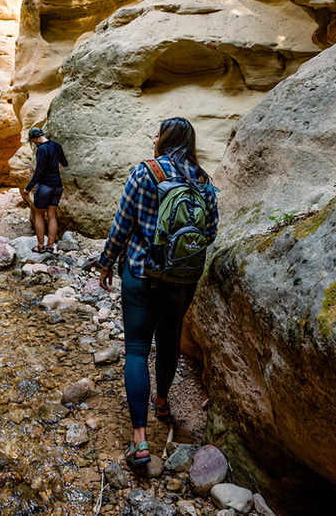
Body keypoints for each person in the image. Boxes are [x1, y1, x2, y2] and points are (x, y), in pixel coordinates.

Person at [97, 117, 218, 468]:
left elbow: (123, 223)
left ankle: (140, 440)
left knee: (136, 350)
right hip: (182, 280)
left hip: (141, 273)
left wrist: (107, 261)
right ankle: (162, 402)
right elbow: (209, 232)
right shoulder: (202, 180)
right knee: (168, 344)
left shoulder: (145, 172)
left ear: (162, 139)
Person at [21, 126, 68, 253]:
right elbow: (64, 163)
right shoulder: (56, 145)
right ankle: (50, 246)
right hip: (57, 186)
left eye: (33, 141)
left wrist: (28, 188)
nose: (34, 143)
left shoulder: (41, 149)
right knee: (52, 216)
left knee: (39, 215)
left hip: (45, 187)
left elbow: (39, 171)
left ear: (36, 138)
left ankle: (41, 246)